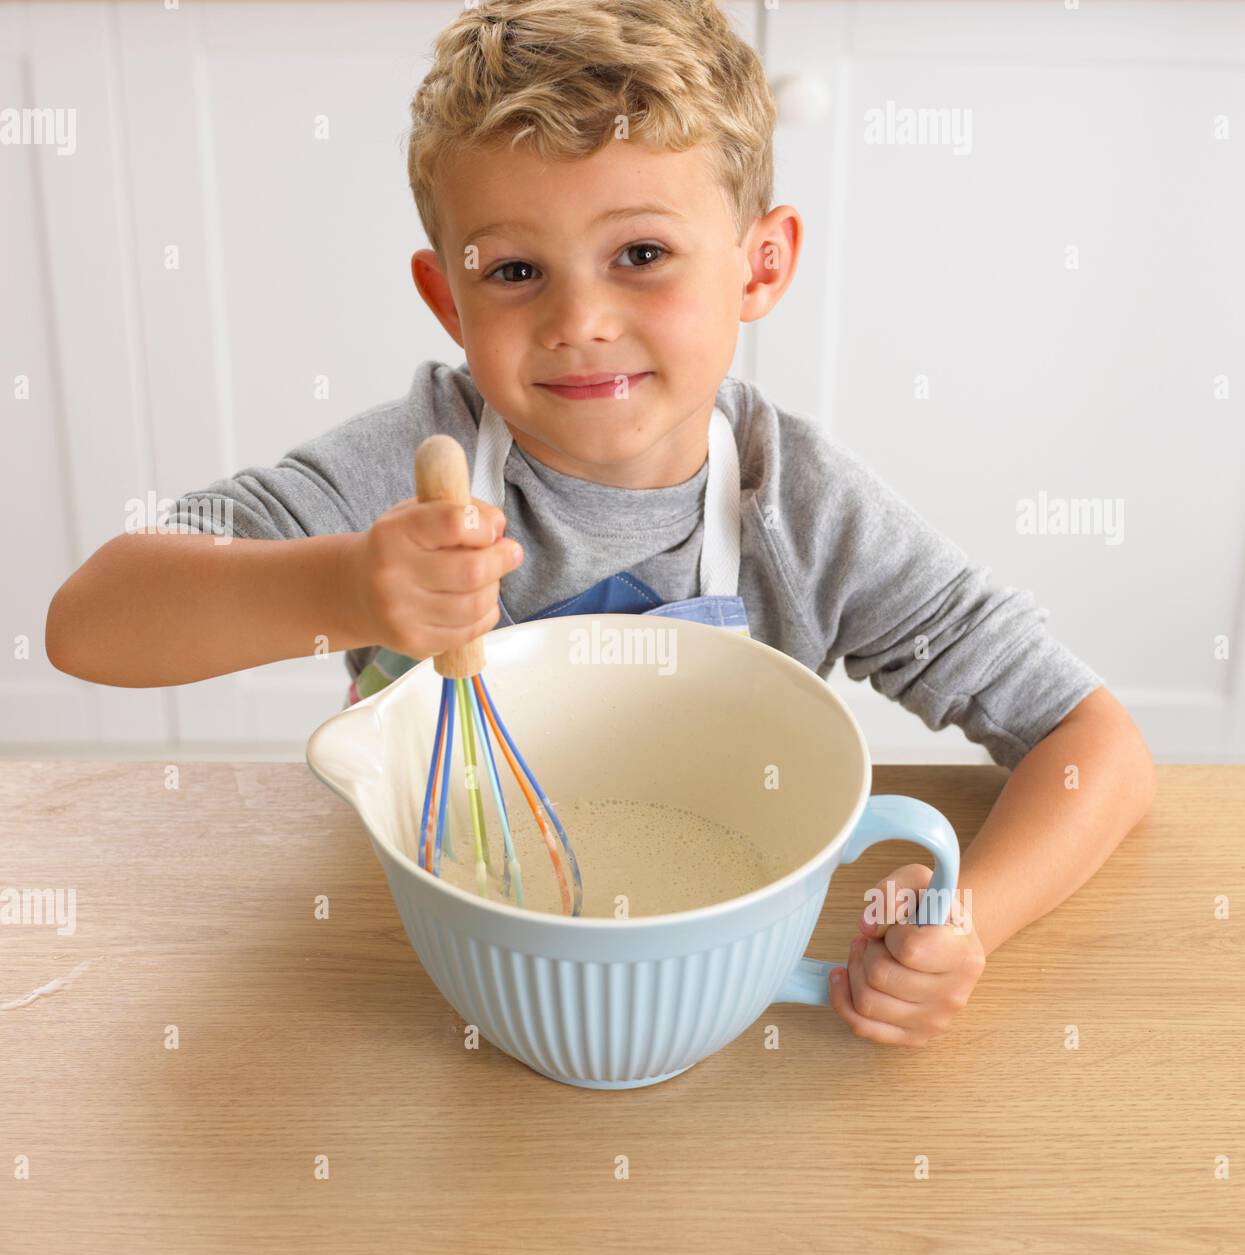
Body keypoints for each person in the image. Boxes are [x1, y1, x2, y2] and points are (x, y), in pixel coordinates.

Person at [44, 0, 1155, 1046]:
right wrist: (338, 590)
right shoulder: (413, 461)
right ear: (449, 299)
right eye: (516, 270)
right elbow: (92, 622)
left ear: (760, 265)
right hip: (408, 986)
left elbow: (1094, 746)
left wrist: (971, 920)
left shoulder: (806, 511)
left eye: (641, 255)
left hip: (721, 1006)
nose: (580, 321)